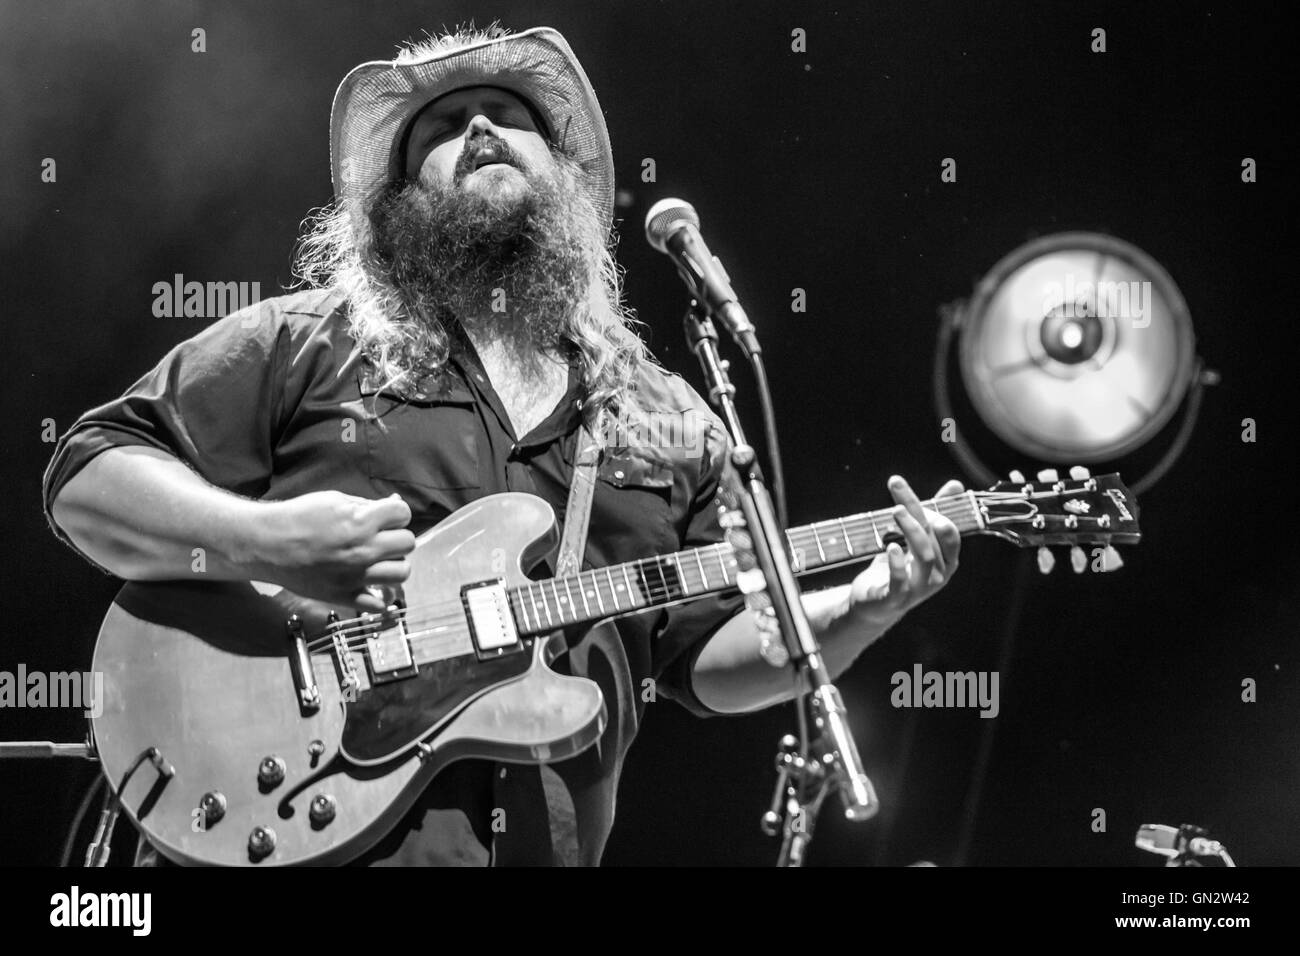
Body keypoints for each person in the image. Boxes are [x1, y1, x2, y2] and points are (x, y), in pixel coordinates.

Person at [42, 24, 963, 866]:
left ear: (564, 178)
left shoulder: (664, 415)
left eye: (510, 116)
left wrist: (866, 606)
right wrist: (271, 543)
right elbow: (88, 480)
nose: (482, 128)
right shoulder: (307, 343)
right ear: (396, 206)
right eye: (445, 124)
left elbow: (702, 664)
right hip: (287, 821)